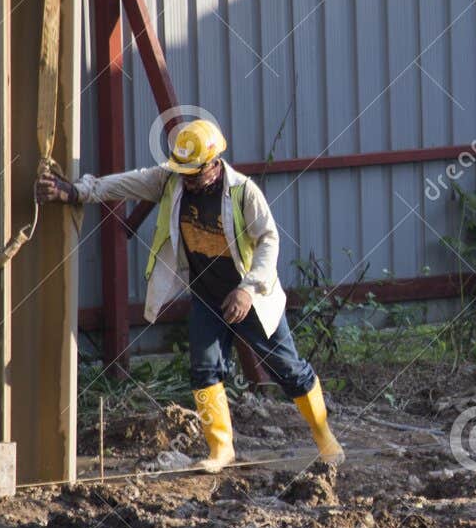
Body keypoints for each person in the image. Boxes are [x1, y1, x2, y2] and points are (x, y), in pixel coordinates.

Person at [36, 118, 344, 472]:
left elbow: (268, 241)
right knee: (204, 369)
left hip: (251, 298)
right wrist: (75, 192)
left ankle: (326, 440)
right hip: (208, 298)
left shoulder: (244, 192)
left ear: (214, 164)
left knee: (288, 369)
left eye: (194, 173)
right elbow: (125, 183)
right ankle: (221, 450)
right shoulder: (171, 180)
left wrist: (247, 289)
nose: (188, 180)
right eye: (183, 172)